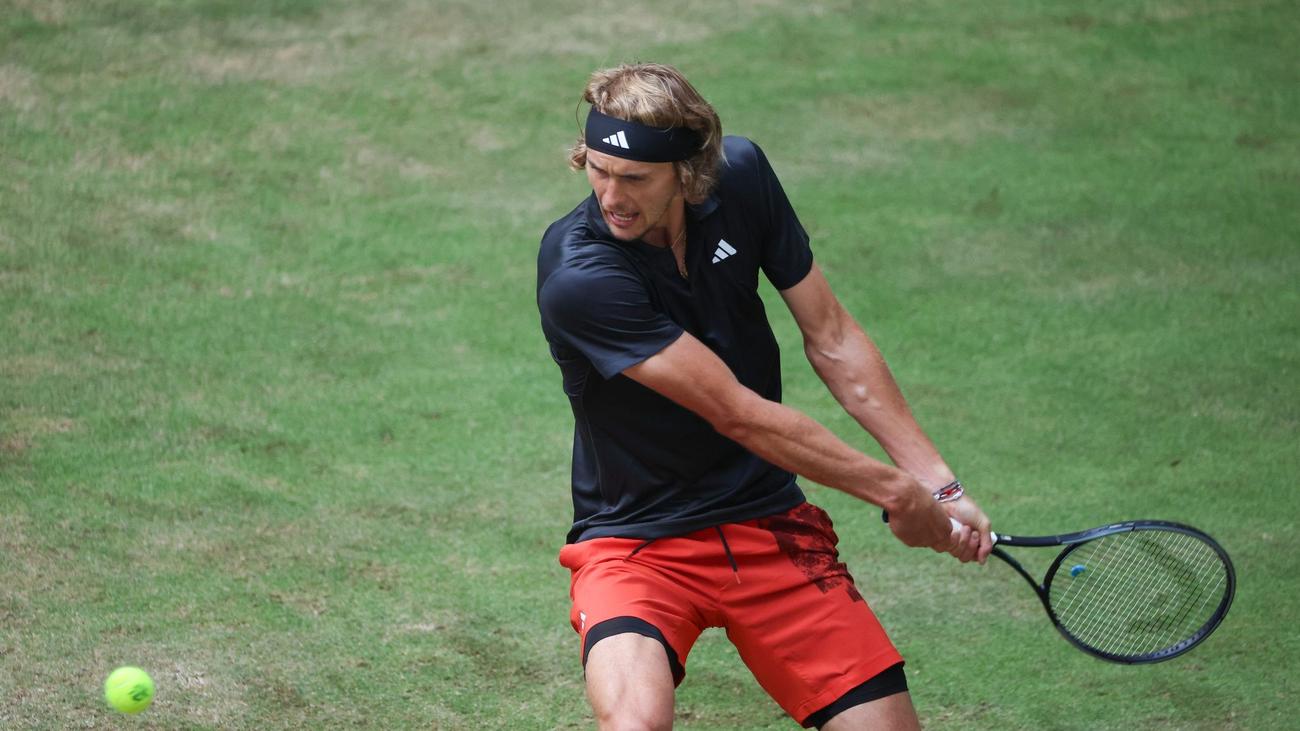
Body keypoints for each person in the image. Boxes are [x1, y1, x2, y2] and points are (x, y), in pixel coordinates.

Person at [536, 62, 994, 730]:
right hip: (636, 542)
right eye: (599, 171)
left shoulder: (742, 176)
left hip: (765, 522)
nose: (612, 196)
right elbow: (737, 414)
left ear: (687, 173)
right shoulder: (581, 276)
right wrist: (898, 493)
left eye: (635, 178)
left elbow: (832, 337)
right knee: (635, 720)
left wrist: (938, 484)